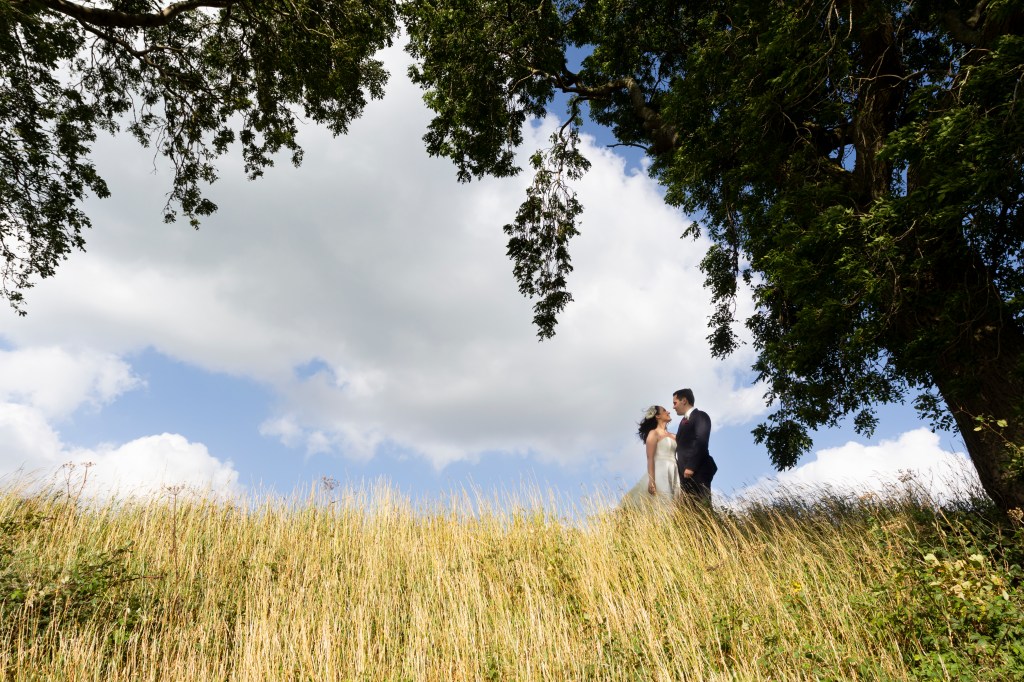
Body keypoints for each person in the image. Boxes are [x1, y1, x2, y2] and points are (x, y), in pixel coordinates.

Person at [622, 405, 680, 507]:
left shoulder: (675, 436)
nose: (668, 412)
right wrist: (652, 481)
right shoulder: (653, 434)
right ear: (657, 416)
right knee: (663, 501)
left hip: (674, 469)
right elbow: (650, 458)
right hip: (660, 471)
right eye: (664, 410)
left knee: (676, 501)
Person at [672, 388, 717, 504]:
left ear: (684, 401)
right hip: (685, 476)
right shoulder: (682, 422)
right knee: (688, 511)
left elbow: (701, 441)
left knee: (703, 507)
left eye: (675, 403)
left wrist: (691, 466)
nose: (673, 407)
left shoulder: (701, 416)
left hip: (698, 471)